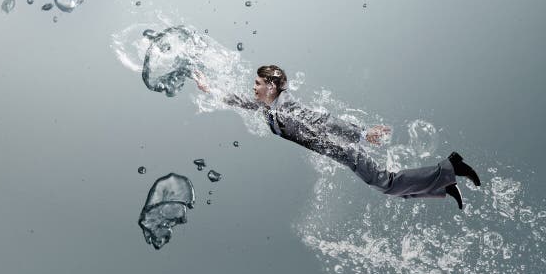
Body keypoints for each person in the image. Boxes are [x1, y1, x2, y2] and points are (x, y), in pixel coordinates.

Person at [193, 63, 480, 208]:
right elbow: (240, 101)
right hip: (338, 152)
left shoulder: (287, 107)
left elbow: (326, 121)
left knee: (387, 183)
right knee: (388, 187)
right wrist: (210, 89)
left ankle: (450, 167)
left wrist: (362, 134)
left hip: (344, 146)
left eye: (257, 83)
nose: (253, 87)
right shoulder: (268, 108)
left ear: (271, 85)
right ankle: (444, 186)